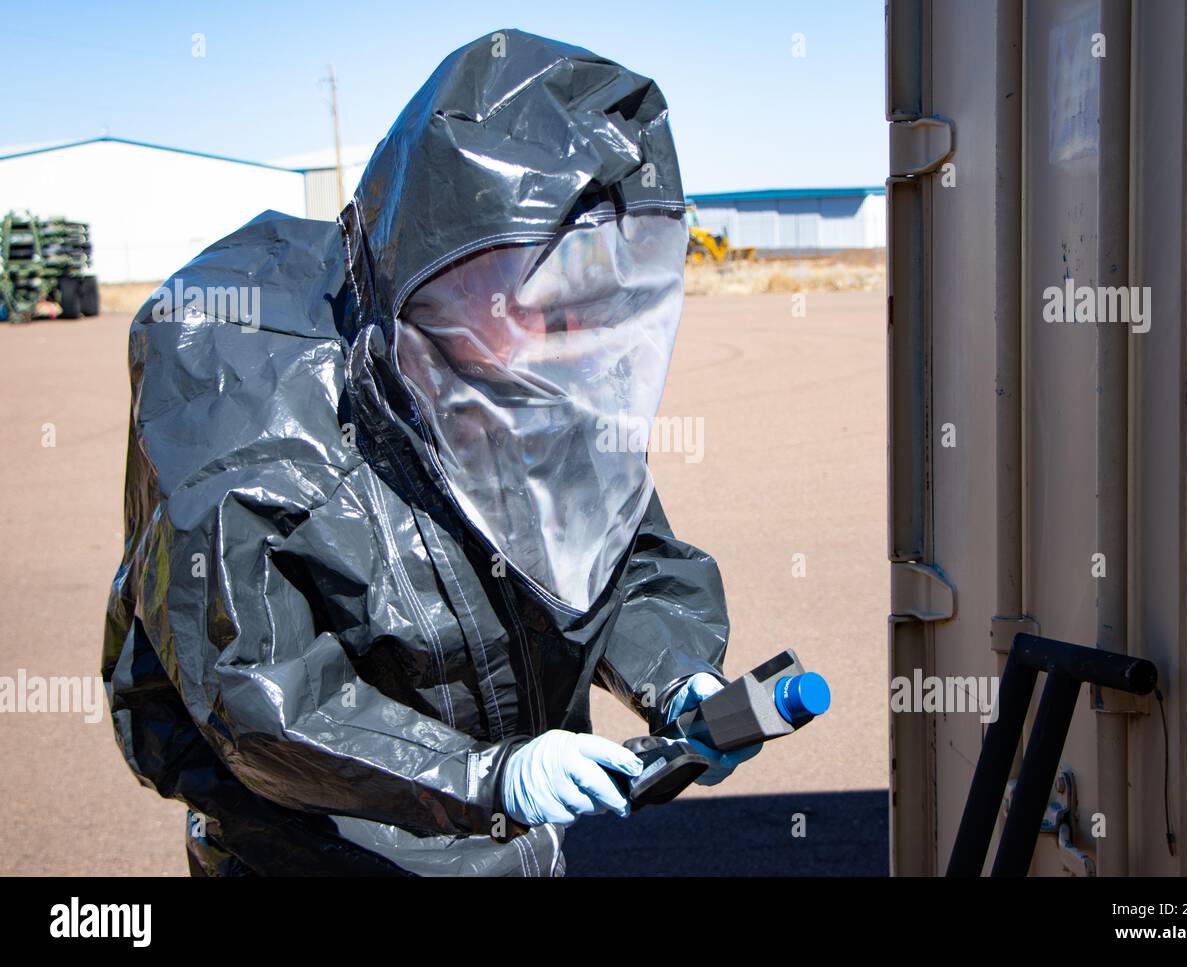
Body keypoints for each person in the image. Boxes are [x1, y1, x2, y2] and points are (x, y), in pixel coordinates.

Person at [101, 28, 755, 877]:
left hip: (515, 845)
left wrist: (677, 679)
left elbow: (615, 558)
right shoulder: (249, 416)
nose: (564, 323)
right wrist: (487, 778)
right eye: (535, 278)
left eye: (594, 277)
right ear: (435, 262)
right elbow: (259, 695)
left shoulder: (527, 373)